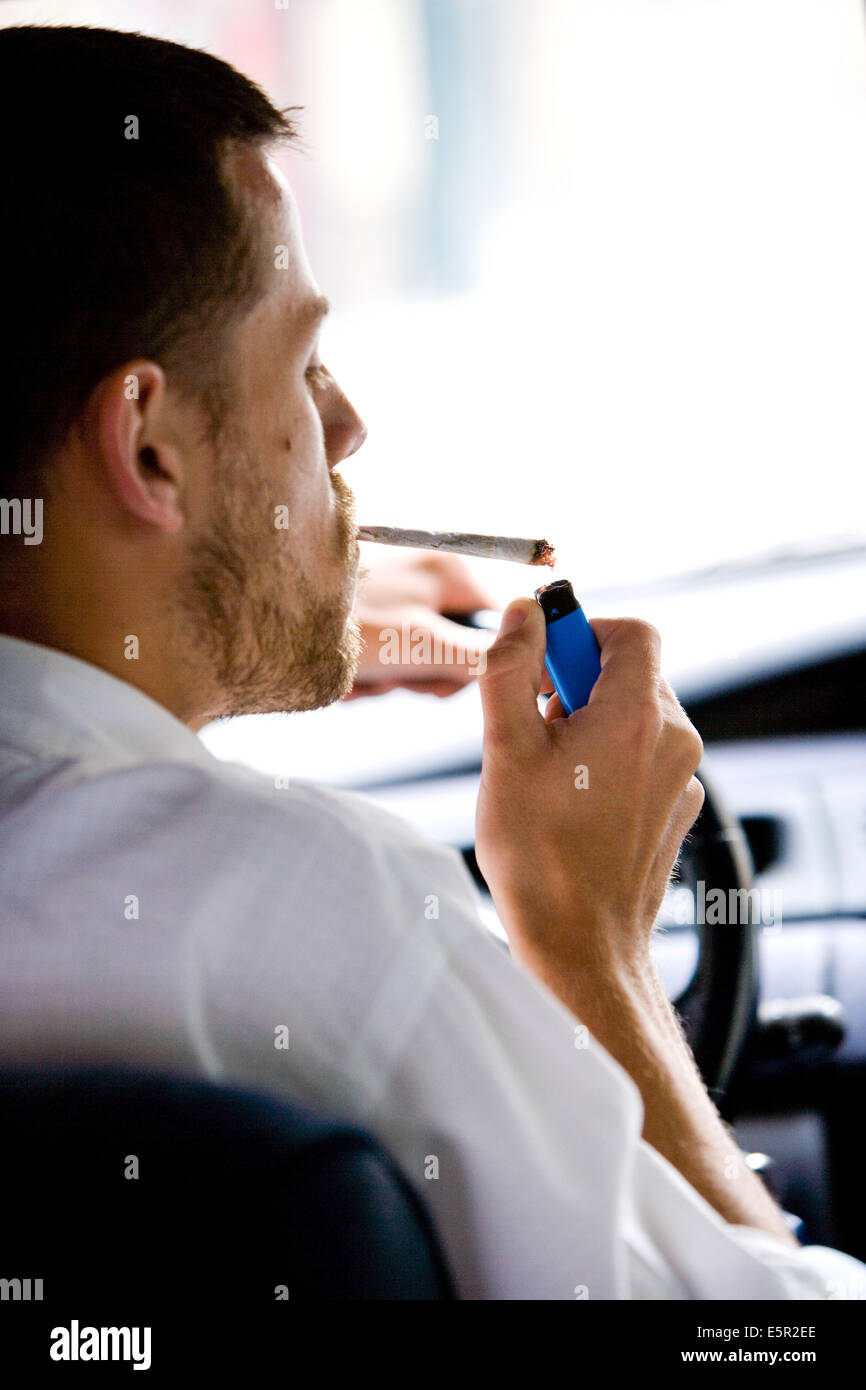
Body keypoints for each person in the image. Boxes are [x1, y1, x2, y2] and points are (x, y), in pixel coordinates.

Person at [0, 23, 861, 1300]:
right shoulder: (322, 902)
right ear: (148, 449)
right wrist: (592, 953)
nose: (346, 424)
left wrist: (226, 623)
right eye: (301, 362)